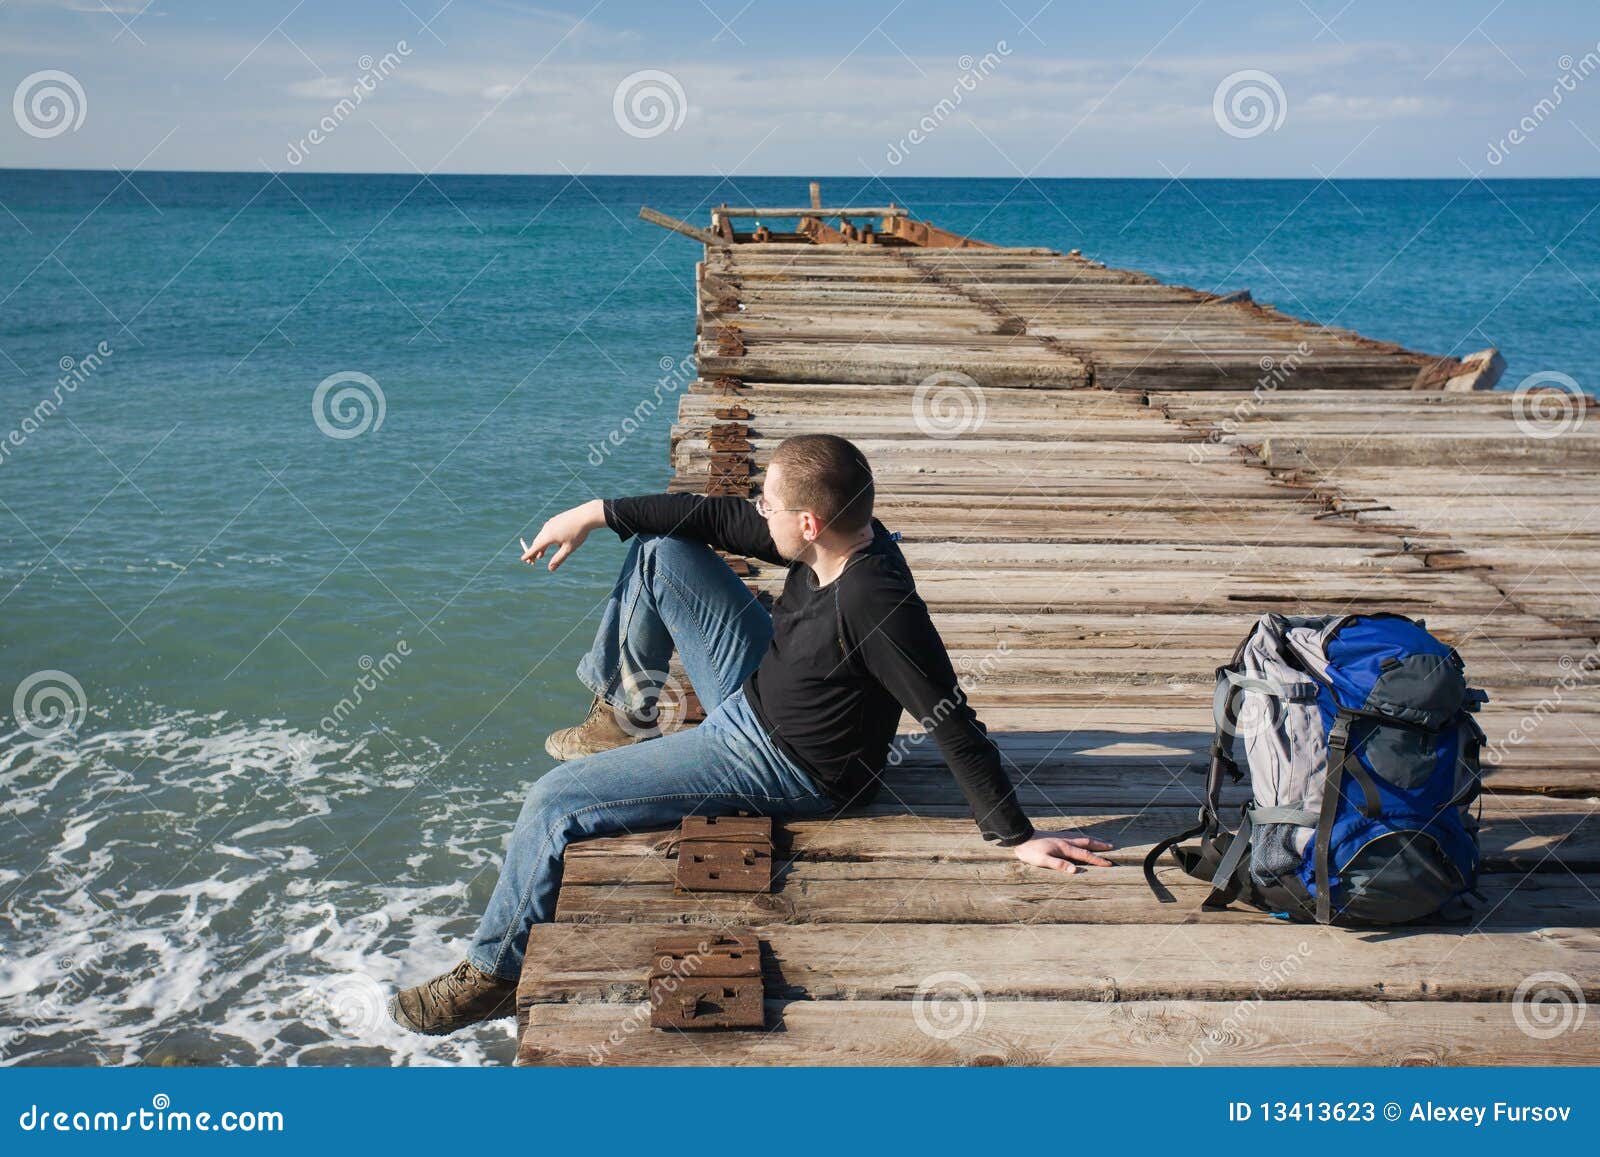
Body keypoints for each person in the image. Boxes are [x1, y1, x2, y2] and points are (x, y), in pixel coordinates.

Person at [389, 433, 1113, 1035]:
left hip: (780, 761)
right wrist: (595, 511)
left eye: (768, 502)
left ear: (807, 524)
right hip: (763, 684)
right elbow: (700, 514)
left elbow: (950, 717)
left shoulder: (878, 601)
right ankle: (625, 715)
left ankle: (492, 972)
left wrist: (1017, 834)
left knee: (553, 801)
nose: (754, 509)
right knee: (660, 550)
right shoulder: (829, 543)